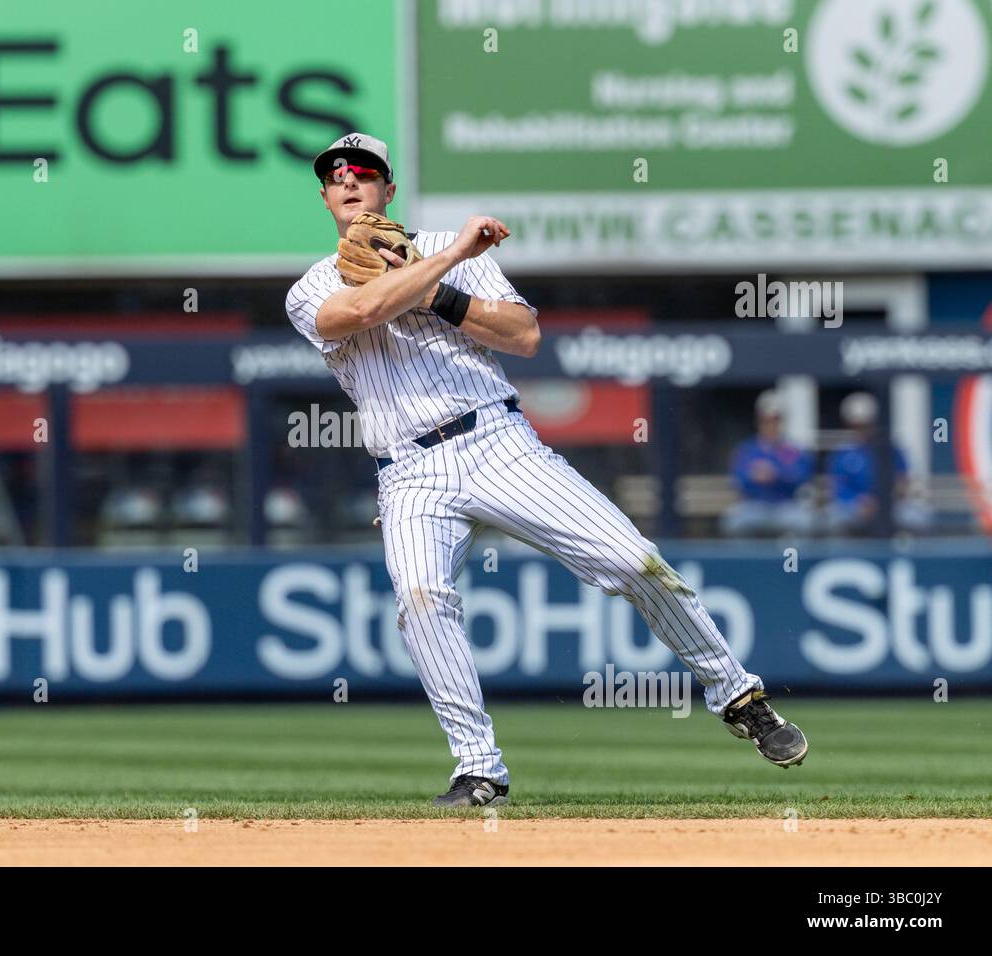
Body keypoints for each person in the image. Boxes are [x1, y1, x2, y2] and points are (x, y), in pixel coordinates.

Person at [284, 133, 808, 807]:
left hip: (495, 442)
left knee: (632, 560)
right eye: (335, 176)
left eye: (365, 172)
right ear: (325, 196)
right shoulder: (315, 285)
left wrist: (442, 288)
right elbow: (357, 311)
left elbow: (524, 335)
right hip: (408, 470)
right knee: (420, 601)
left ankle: (738, 695)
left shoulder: (452, 246)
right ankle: (479, 769)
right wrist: (445, 262)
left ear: (389, 188)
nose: (349, 181)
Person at [827, 392, 931, 535]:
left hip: (890, 505)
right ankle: (845, 555)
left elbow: (902, 482)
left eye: (867, 424)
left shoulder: (891, 449)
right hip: (854, 507)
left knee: (918, 517)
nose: (863, 429)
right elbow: (838, 488)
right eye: (857, 425)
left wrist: (883, 501)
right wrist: (859, 501)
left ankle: (909, 555)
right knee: (837, 519)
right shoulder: (842, 454)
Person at [721, 390, 815, 536]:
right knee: (734, 521)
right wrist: (752, 477)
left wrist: (777, 475)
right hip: (755, 505)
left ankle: (793, 558)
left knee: (804, 521)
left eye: (775, 420)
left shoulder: (791, 449)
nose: (771, 425)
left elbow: (802, 478)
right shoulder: (747, 449)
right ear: (759, 421)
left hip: (785, 506)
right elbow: (737, 482)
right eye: (766, 420)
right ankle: (745, 559)